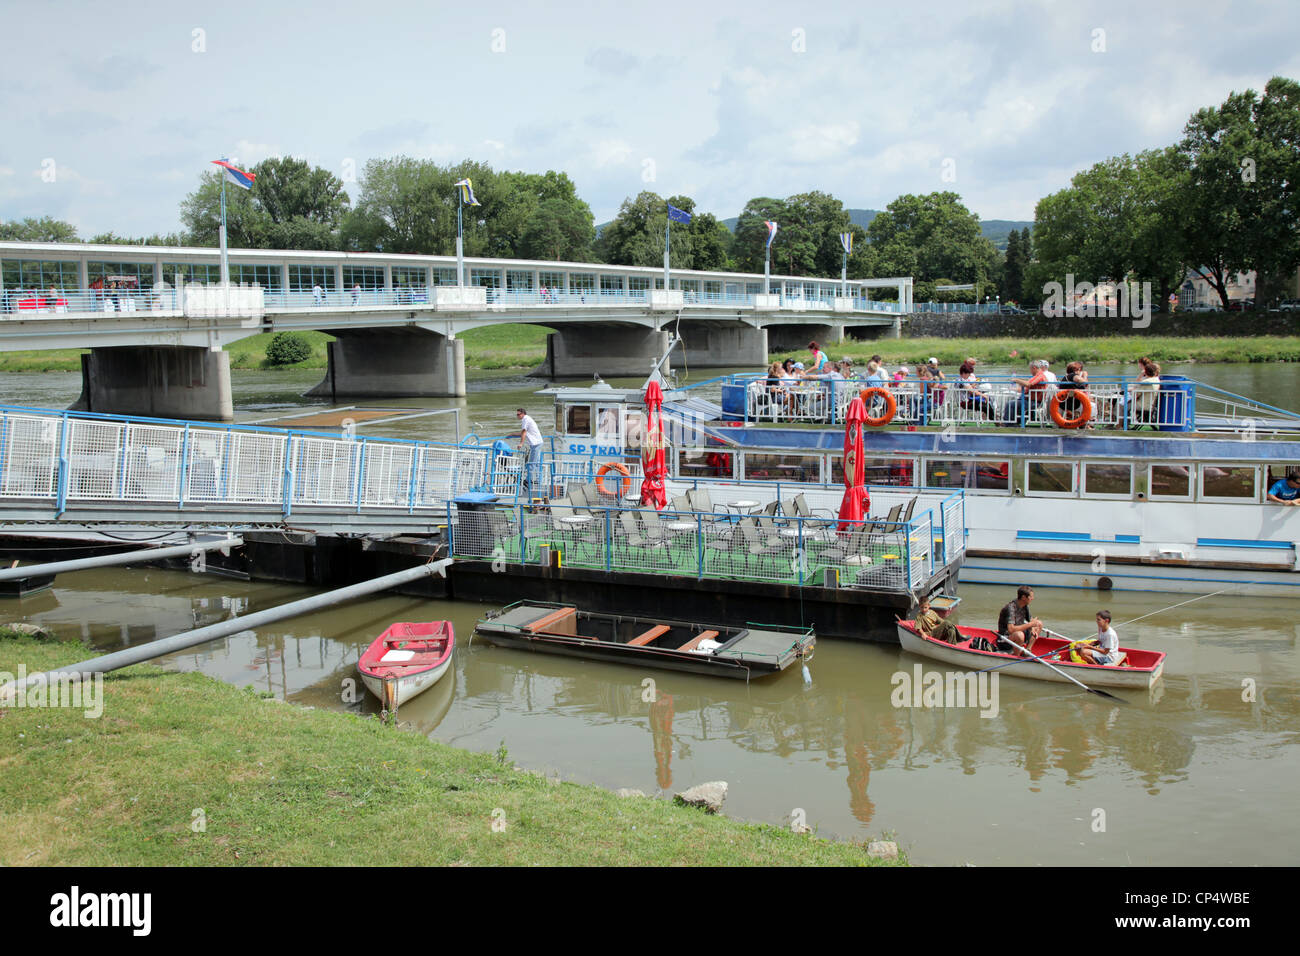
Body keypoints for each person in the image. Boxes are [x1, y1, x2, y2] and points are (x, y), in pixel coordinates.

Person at [997, 585, 1043, 653]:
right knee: (1019, 635)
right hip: (1005, 639)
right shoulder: (1011, 608)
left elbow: (1030, 620)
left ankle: (1027, 651)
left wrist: (1032, 627)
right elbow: (1011, 629)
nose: (1033, 598)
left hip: (1018, 634)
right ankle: (1016, 655)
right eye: (1031, 597)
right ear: (1024, 597)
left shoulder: (1025, 606)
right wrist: (1030, 624)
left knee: (1039, 624)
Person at [517, 407, 544, 502]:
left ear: (523, 414)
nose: (517, 416)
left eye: (518, 414)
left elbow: (524, 432)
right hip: (537, 443)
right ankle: (537, 479)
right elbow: (524, 432)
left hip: (536, 444)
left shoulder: (525, 419)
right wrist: (513, 434)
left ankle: (528, 480)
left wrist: (521, 443)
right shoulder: (527, 419)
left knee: (532, 463)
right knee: (535, 463)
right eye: (517, 414)